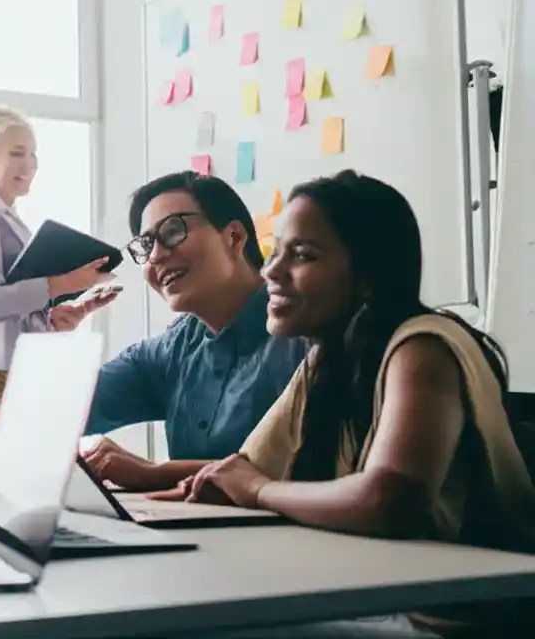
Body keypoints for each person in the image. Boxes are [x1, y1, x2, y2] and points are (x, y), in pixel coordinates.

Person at [168, 171, 535, 635]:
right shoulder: (326, 357)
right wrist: (134, 491)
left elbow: (387, 498)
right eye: (277, 251)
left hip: (458, 617)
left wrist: (258, 491)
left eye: (301, 255)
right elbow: (240, 470)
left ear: (368, 277)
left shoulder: (422, 347)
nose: (271, 271)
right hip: (387, 596)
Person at [82, 171, 308, 491]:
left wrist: (157, 472)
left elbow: (316, 469)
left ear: (234, 237)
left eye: (173, 231)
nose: (157, 255)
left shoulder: (307, 331)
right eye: (146, 245)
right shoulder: (171, 350)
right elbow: (68, 402)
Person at [0, 103, 115, 372]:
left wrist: (57, 318)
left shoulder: (11, 221)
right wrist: (62, 283)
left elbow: (13, 308)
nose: (29, 164)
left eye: (32, 154)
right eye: (16, 153)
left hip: (12, 370)